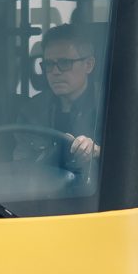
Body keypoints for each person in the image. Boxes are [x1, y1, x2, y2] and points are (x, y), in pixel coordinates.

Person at [30, 24, 103, 170]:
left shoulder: (110, 104)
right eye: (49, 64)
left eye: (65, 63)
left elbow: (128, 157)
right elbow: (23, 163)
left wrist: (97, 151)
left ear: (88, 65)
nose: (55, 72)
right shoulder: (32, 110)